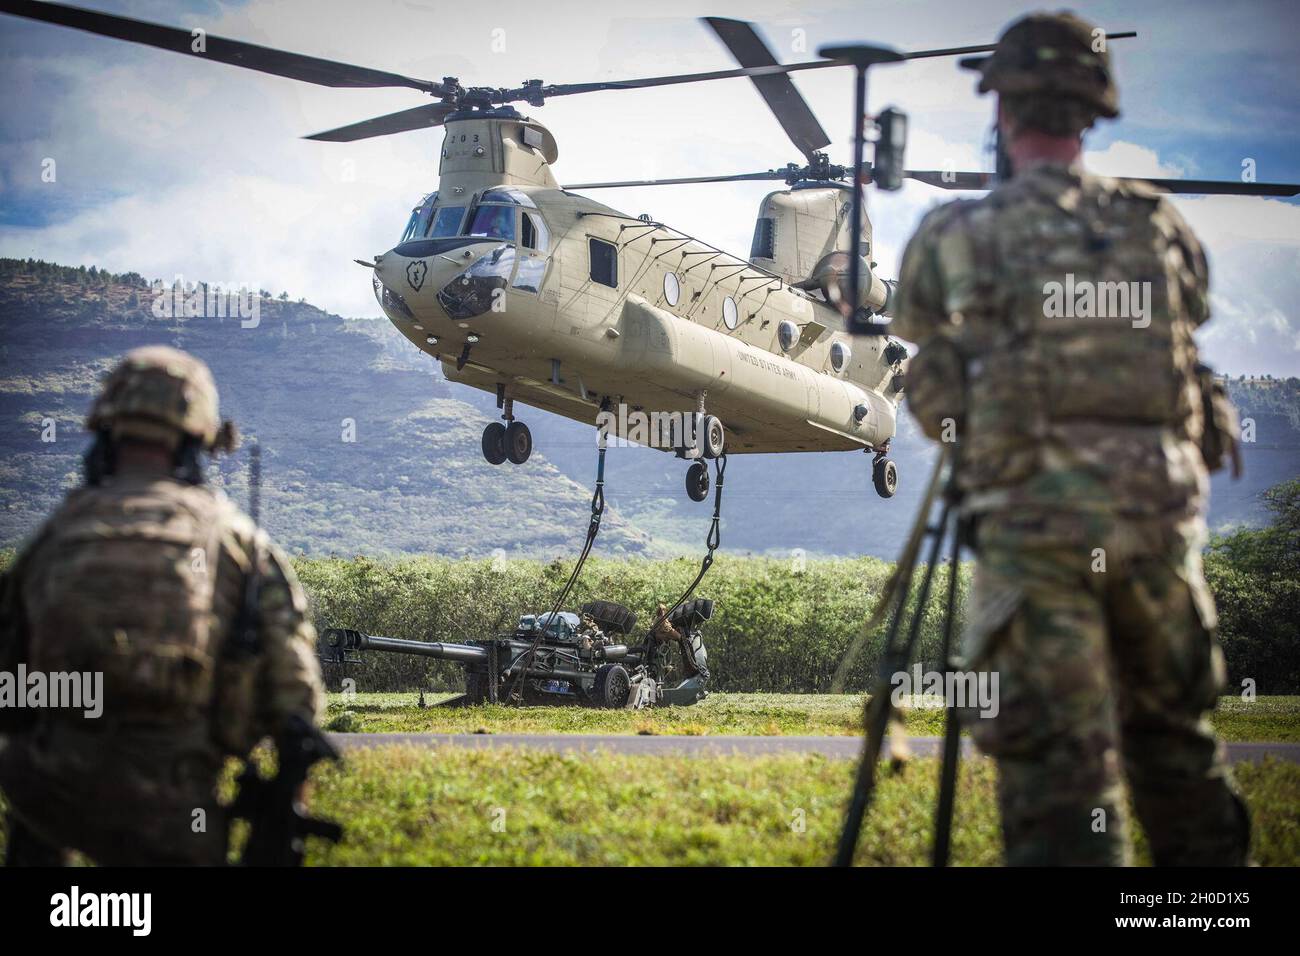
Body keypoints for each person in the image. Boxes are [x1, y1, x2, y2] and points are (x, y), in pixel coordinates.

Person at [890, 11, 1250, 865]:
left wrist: (974, 436)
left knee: (1061, 766)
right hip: (1160, 527)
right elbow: (1190, 331)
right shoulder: (1157, 224)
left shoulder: (959, 230)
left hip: (1037, 532)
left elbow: (923, 358)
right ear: (1094, 112)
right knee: (1176, 744)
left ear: (1002, 110)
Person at [0, 346, 324, 865]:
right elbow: (295, 698)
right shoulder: (237, 541)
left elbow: (8, 683)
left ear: (105, 434)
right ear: (198, 440)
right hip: (177, 808)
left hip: (52, 798)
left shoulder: (54, 536)